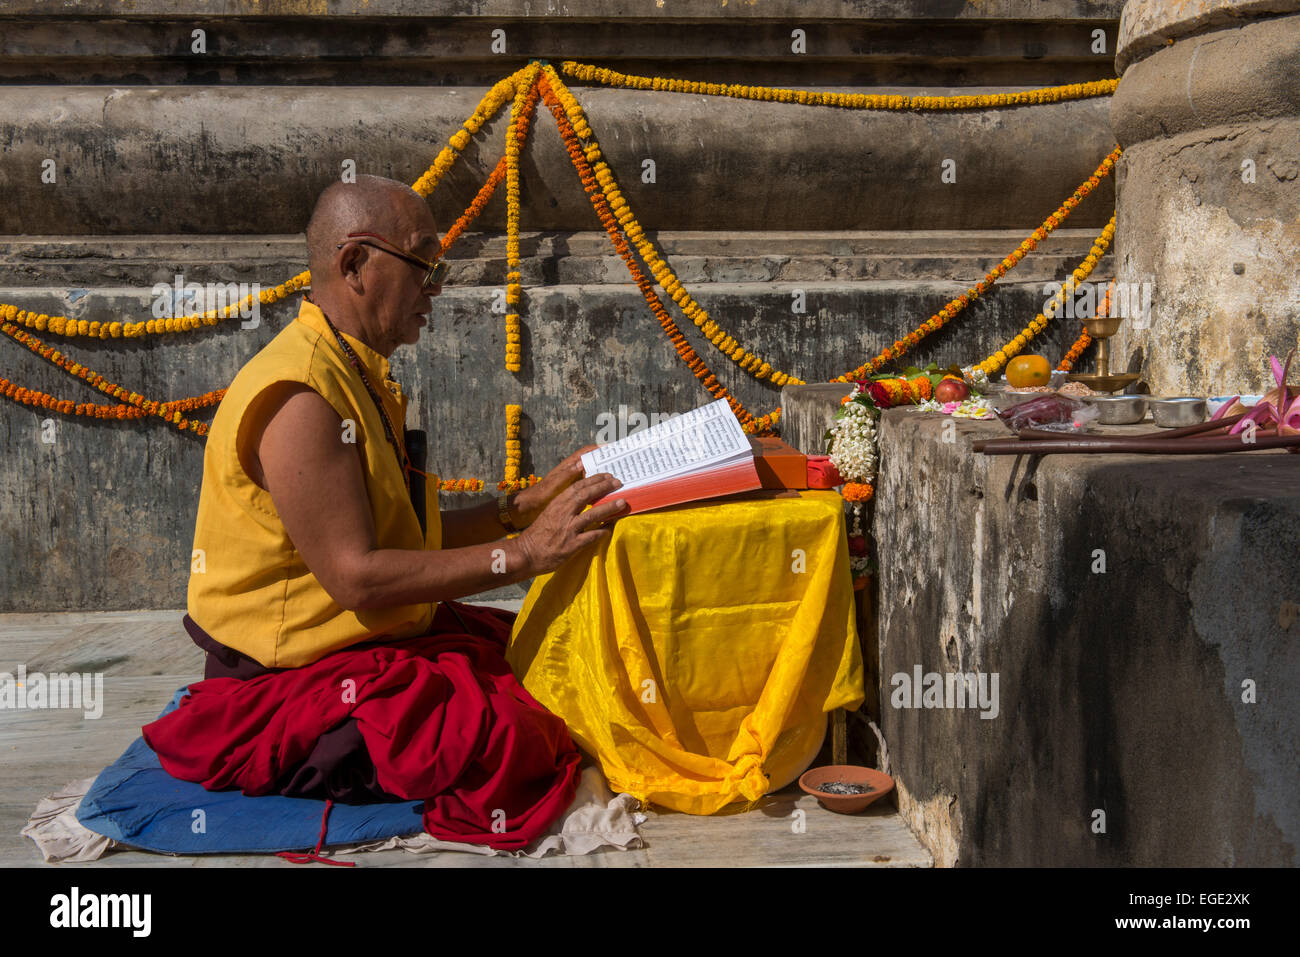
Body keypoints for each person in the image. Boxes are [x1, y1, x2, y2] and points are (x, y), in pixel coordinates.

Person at [142, 174, 629, 851]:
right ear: (353, 265)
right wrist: (526, 555)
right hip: (290, 682)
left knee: (533, 651)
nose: (436, 286)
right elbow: (358, 578)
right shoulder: (302, 394)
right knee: (520, 739)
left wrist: (517, 511)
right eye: (424, 263)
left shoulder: (357, 372)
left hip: (362, 640)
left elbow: (406, 536)